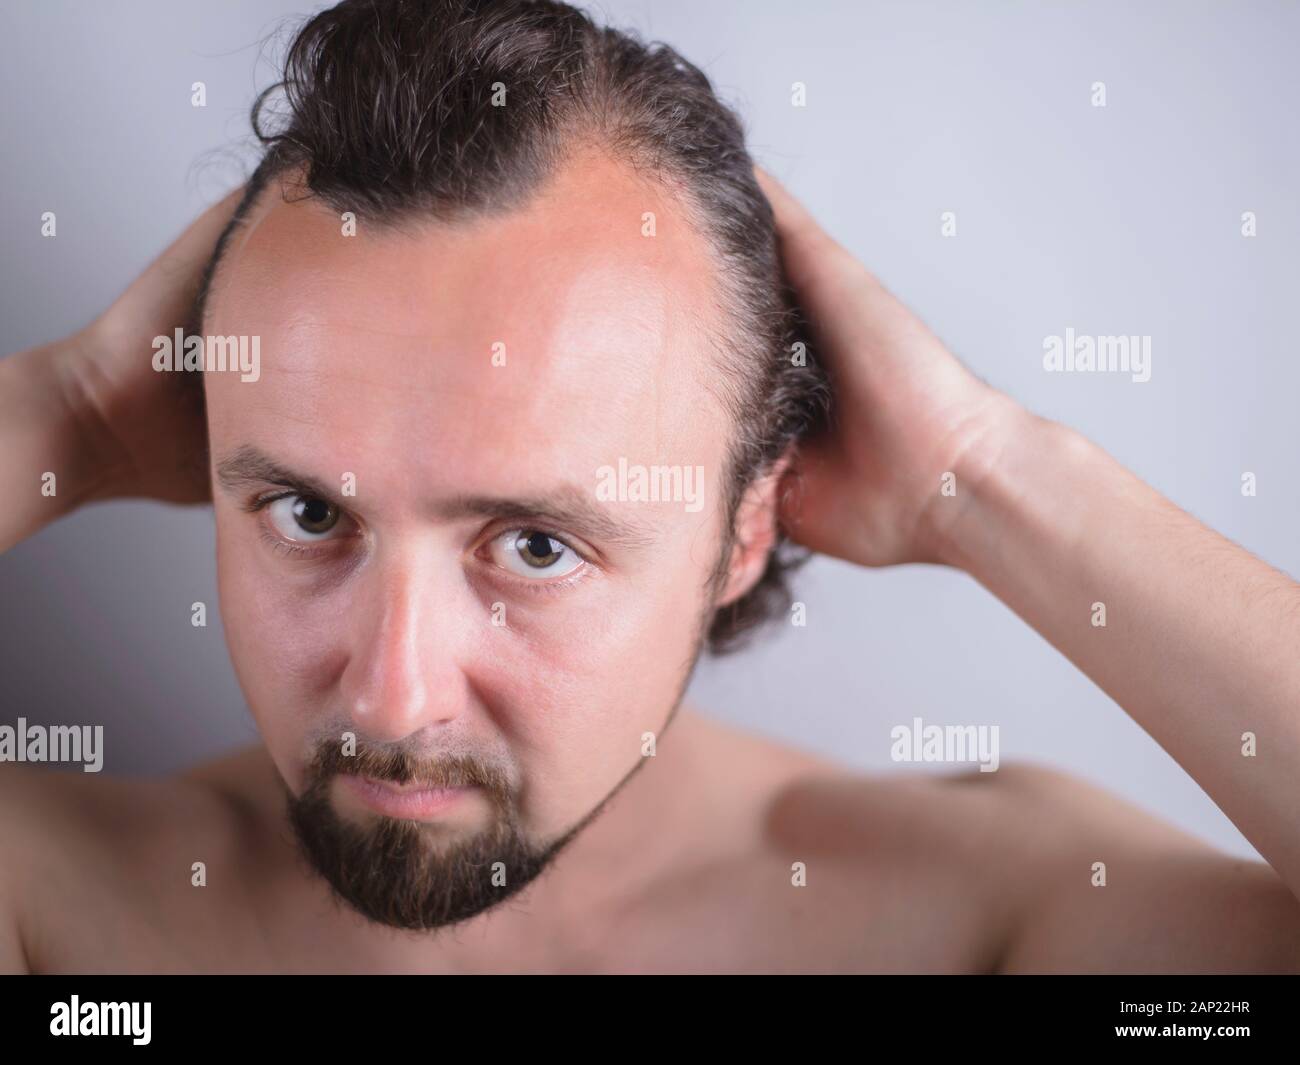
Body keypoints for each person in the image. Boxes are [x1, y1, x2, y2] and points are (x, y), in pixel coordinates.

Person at [1, 0, 1298, 974]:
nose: (394, 692)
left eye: (537, 546)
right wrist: (56, 413)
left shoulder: (989, 915)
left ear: (742, 534)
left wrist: (989, 474)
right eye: (309, 514)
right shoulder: (58, 905)